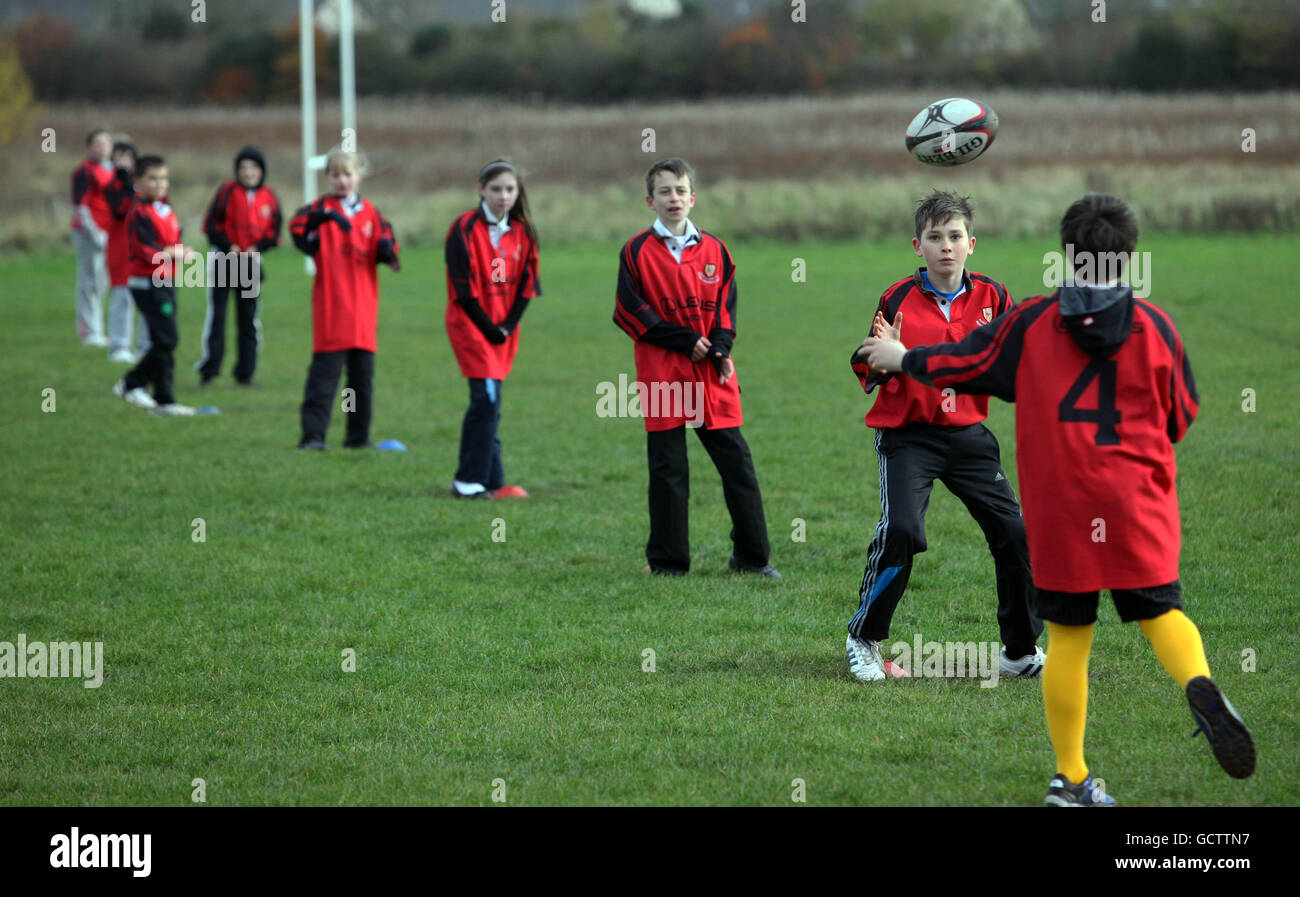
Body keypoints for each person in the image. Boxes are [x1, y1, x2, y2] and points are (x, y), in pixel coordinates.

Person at [860, 193, 1255, 805]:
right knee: (1160, 612)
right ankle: (1199, 683)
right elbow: (1182, 417)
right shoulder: (1157, 328)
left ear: (1066, 252)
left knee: (1070, 638)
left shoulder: (1032, 322)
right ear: (1129, 256)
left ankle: (1070, 778)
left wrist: (905, 356)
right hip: (1136, 504)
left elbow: (967, 363)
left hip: (1063, 505)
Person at [844, 190, 1043, 681]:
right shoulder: (897, 299)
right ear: (918, 246)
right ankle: (864, 639)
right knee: (904, 531)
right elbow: (865, 362)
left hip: (969, 436)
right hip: (908, 436)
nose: (946, 247)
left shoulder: (993, 297)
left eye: (955, 236)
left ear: (971, 243)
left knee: (1016, 533)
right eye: (935, 237)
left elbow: (1019, 359)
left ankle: (1018, 653)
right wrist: (883, 357)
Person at [613, 158, 779, 579]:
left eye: (681, 190)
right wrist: (685, 341)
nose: (674, 198)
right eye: (664, 191)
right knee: (669, 471)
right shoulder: (635, 252)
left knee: (737, 464)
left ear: (693, 198)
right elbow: (630, 314)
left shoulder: (716, 250)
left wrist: (721, 347)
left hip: (713, 373)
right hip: (663, 373)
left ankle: (752, 558)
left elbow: (726, 309)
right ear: (650, 200)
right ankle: (669, 563)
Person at [289, 147, 399, 450]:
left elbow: (388, 244)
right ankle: (313, 435)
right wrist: (323, 219)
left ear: (359, 176)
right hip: (332, 308)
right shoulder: (320, 210)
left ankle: (356, 436)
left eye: (347, 174)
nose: (342, 181)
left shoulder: (371, 214)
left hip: (363, 310)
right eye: (335, 175)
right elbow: (298, 230)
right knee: (324, 381)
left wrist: (387, 251)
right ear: (327, 177)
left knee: (358, 384)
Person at [443, 159, 540, 499]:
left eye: (510, 189)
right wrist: (490, 328)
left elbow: (528, 285)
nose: (503, 196)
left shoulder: (523, 232)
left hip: (503, 332)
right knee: (485, 399)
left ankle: (494, 479)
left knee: (492, 402)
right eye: (496, 189)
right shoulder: (464, 228)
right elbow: (463, 292)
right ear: (481, 189)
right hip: (471, 328)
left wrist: (508, 325)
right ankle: (467, 481)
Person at [114, 154, 203, 415]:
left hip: (165, 280)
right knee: (167, 339)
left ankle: (165, 400)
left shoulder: (166, 210)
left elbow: (170, 243)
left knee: (161, 340)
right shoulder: (138, 212)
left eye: (163, 178)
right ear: (139, 182)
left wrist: (182, 251)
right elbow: (145, 250)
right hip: (147, 283)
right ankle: (131, 383)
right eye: (153, 178)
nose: (160, 183)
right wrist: (172, 253)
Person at [196, 145, 282, 387]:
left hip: (250, 263)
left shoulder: (269, 196)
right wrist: (228, 244)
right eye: (243, 167)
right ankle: (209, 370)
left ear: (261, 170)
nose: (248, 172)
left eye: (253, 167)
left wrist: (259, 247)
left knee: (249, 319)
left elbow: (275, 232)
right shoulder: (226, 191)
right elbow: (210, 225)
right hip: (225, 260)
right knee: (218, 316)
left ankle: (245, 373)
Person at [104, 137, 149, 363]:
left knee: (145, 298)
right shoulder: (112, 186)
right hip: (120, 249)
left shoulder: (144, 184)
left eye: (127, 157)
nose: (122, 162)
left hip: (141, 250)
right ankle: (119, 345)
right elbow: (121, 210)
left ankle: (144, 346)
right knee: (122, 298)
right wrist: (125, 184)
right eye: (118, 157)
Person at [71, 128, 115, 347]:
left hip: (107, 233)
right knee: (89, 282)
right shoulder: (85, 171)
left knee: (101, 282)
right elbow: (80, 206)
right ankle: (89, 332)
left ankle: (98, 328)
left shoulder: (111, 170)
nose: (102, 148)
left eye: (106, 143)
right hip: (89, 233)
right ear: (89, 147)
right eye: (98, 143)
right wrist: (93, 231)